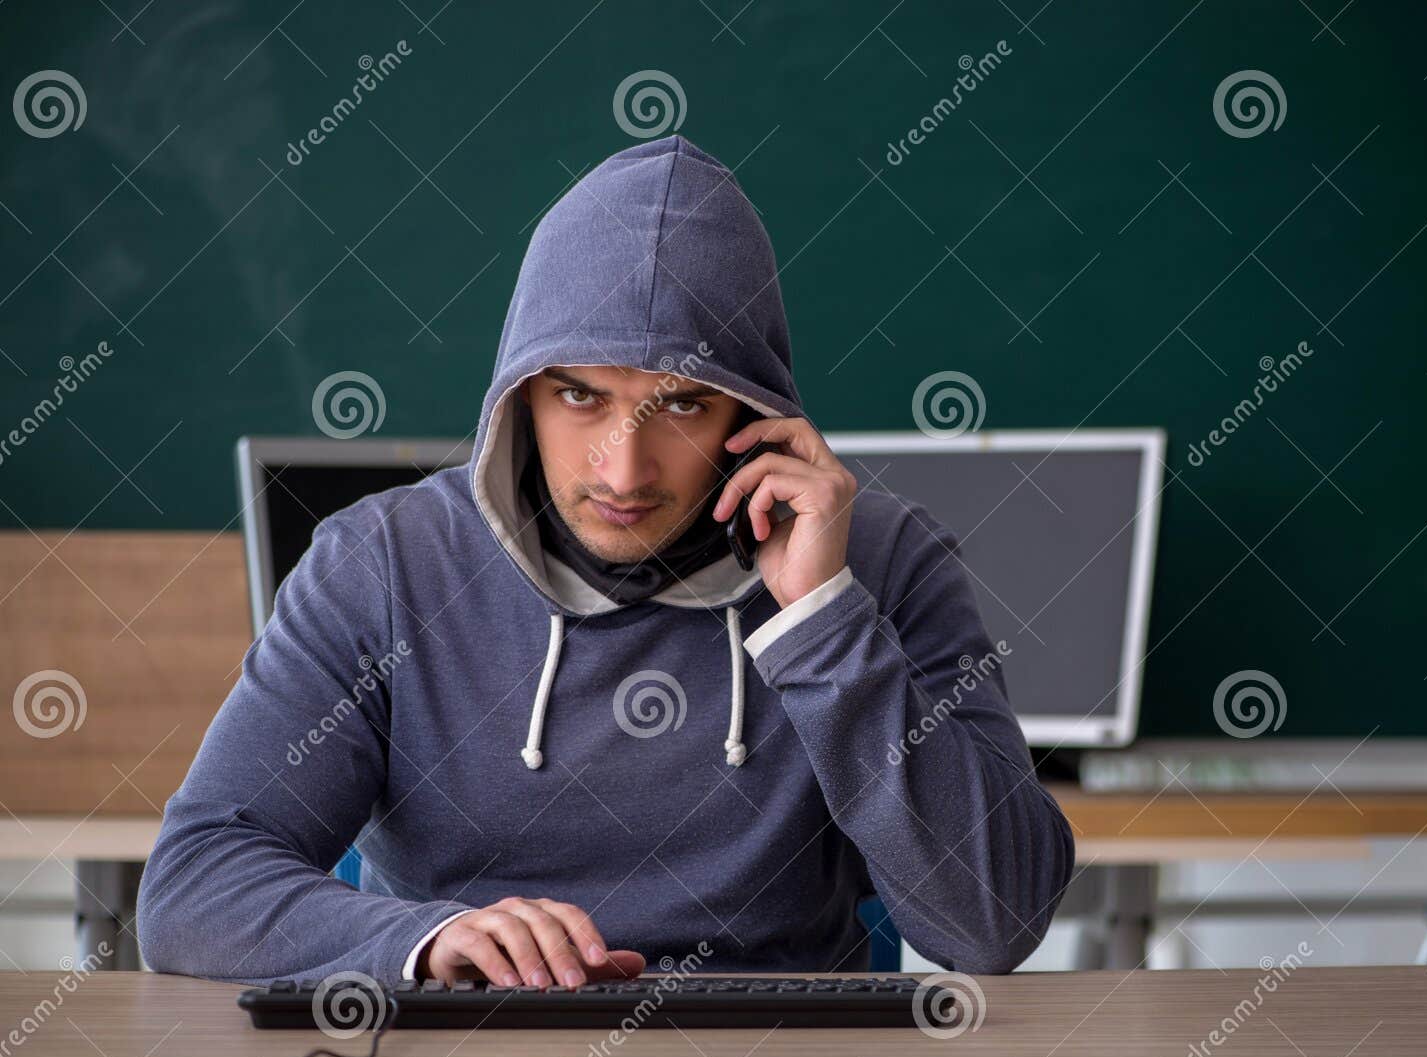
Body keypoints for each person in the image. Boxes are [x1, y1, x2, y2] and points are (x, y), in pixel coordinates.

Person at [136, 135, 1075, 988]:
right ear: (521, 399)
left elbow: (994, 924)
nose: (621, 470)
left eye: (678, 406)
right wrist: (423, 943)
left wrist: (823, 619)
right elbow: (194, 889)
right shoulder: (382, 564)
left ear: (751, 417)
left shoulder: (882, 558)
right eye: (579, 396)